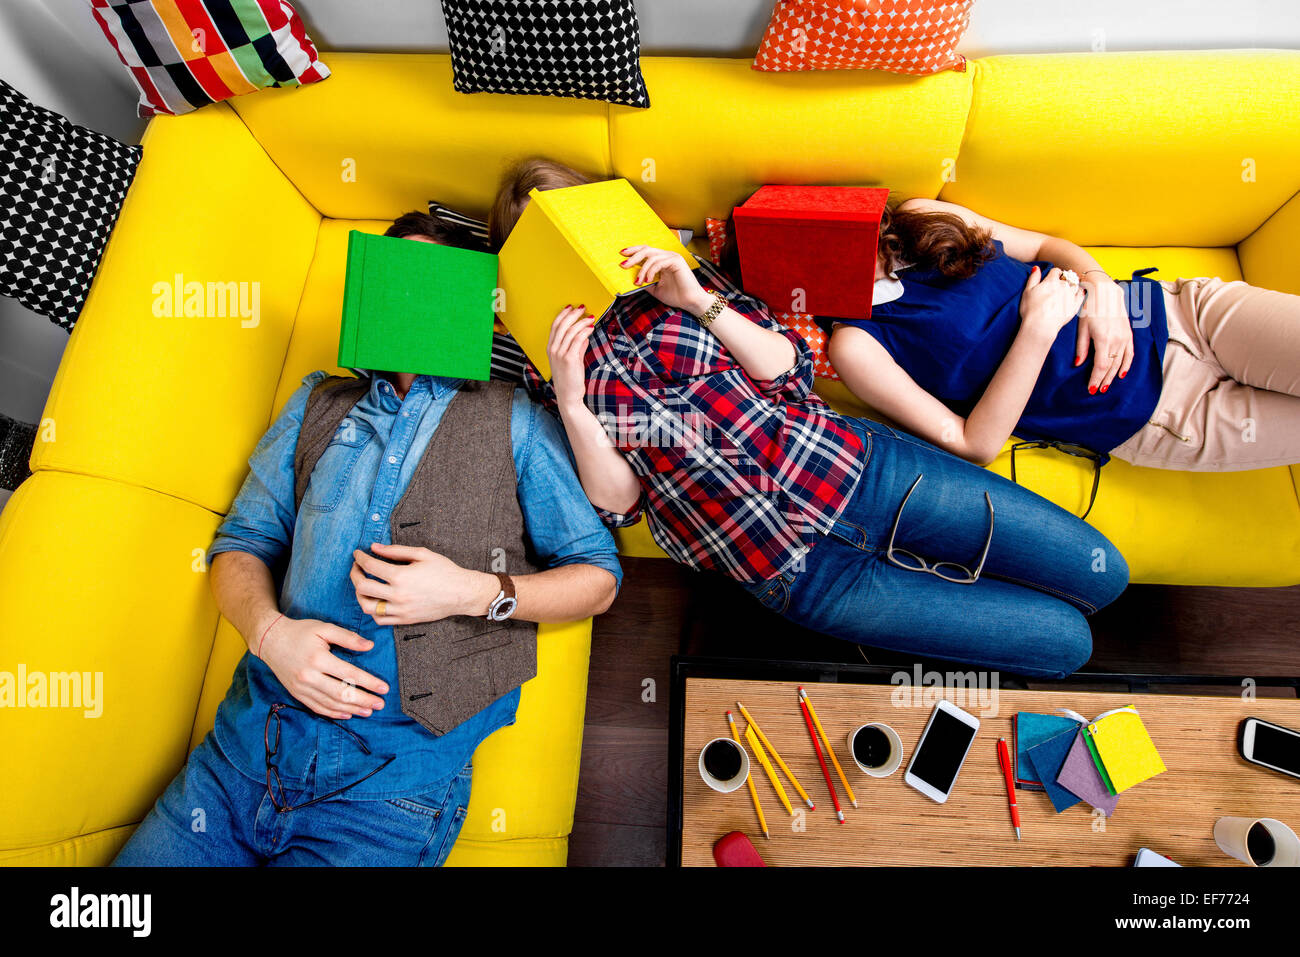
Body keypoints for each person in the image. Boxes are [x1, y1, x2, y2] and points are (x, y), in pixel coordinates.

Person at [111, 211, 622, 867]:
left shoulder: (514, 422)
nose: (406, 295)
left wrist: (470, 591)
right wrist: (269, 633)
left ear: (472, 304)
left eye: (425, 277)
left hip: (386, 797)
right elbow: (241, 540)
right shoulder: (317, 404)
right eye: (392, 276)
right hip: (237, 761)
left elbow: (598, 577)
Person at [494, 158, 1128, 681]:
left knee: (1105, 575)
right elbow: (622, 504)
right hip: (796, 574)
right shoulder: (542, 366)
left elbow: (788, 368)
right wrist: (573, 398)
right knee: (1067, 644)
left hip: (861, 473)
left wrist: (697, 300)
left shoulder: (680, 276)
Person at [754, 196, 1300, 473]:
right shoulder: (857, 344)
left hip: (1185, 312)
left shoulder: (919, 216)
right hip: (1160, 414)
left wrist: (1100, 287)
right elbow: (974, 445)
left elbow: (1041, 247)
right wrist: (1038, 328)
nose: (876, 237)